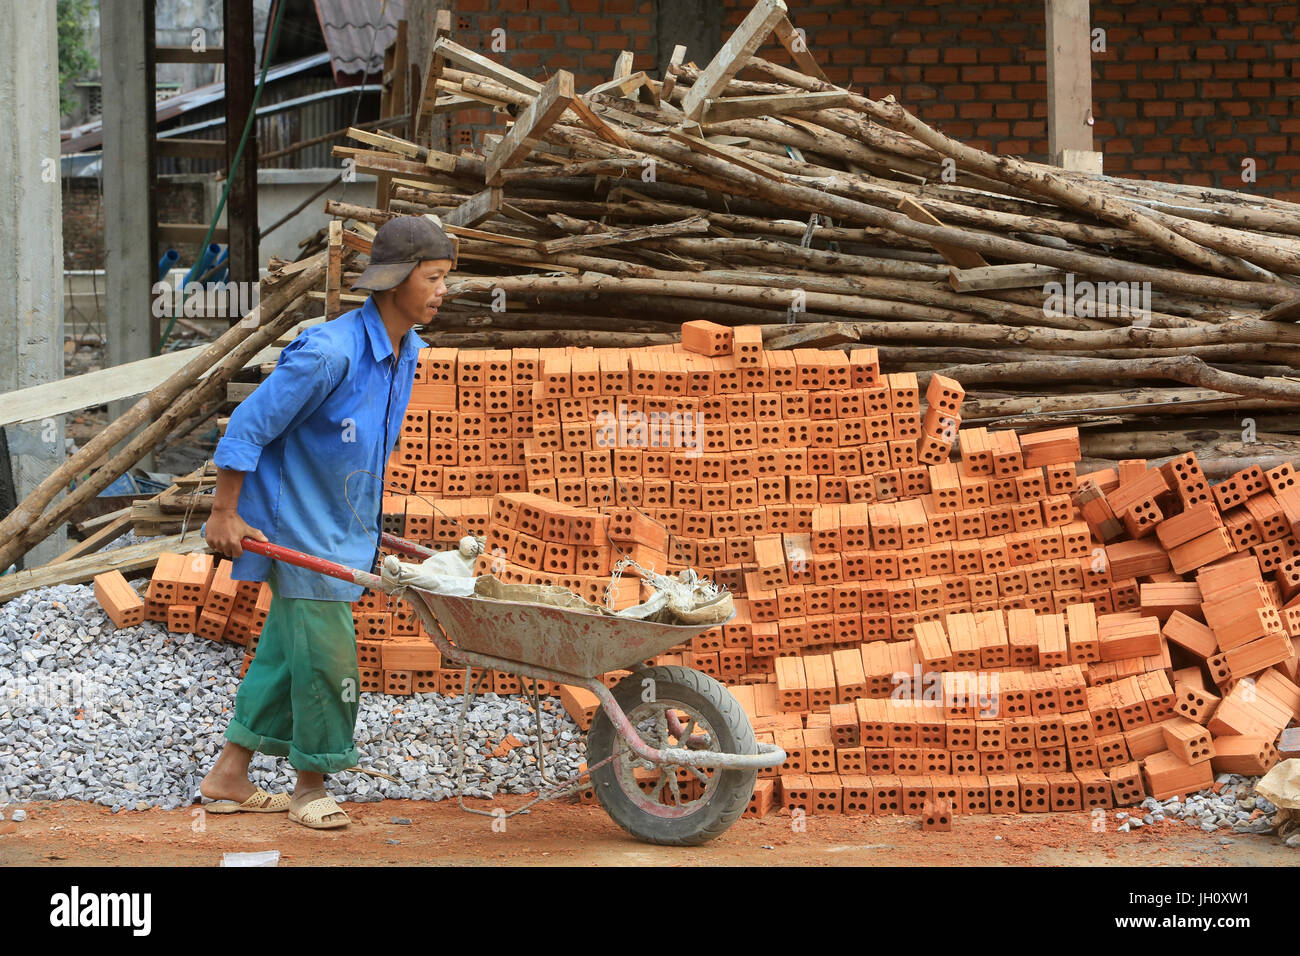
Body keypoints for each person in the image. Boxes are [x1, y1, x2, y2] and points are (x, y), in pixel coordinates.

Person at [198, 216, 455, 828]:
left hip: (345, 532)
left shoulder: (407, 351)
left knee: (290, 653)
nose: (444, 290)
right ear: (396, 280)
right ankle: (311, 784)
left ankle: (229, 774)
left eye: (447, 278)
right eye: (434, 277)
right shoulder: (328, 352)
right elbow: (249, 426)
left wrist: (369, 531)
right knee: (329, 662)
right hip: (298, 528)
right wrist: (224, 510)